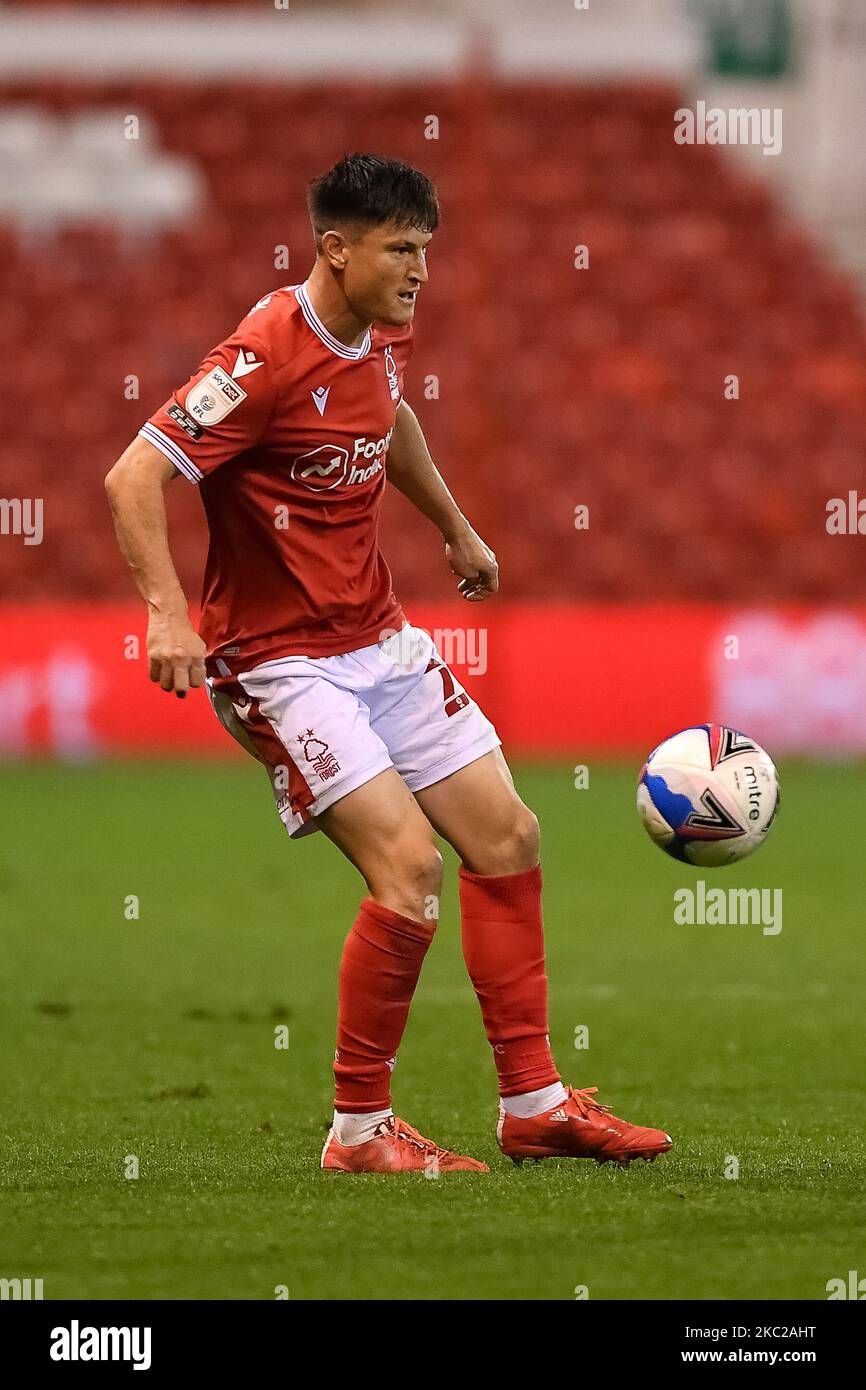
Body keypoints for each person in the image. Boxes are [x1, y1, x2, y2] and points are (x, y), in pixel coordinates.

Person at [105, 153, 672, 1174]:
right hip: (276, 662)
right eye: (402, 250)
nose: (420, 271)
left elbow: (389, 416)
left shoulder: (379, 332)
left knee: (506, 835)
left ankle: (533, 1105)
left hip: (380, 637)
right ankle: (358, 1132)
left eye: (426, 251)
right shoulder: (262, 355)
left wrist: (453, 526)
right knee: (408, 872)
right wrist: (165, 615)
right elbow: (132, 472)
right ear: (335, 247)